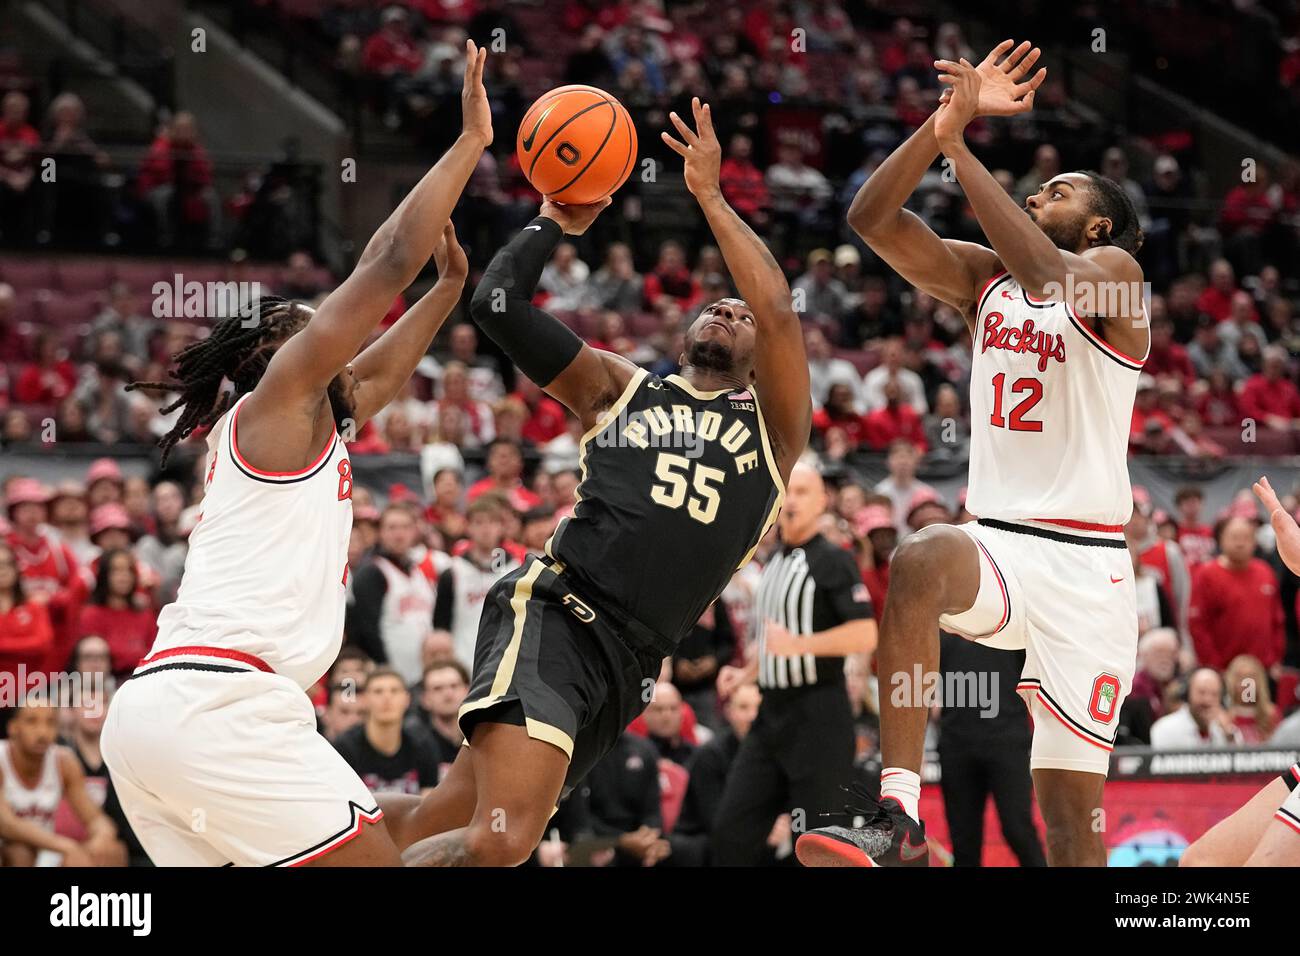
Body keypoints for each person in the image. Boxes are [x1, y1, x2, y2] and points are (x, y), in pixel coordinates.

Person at [386, 96, 810, 867]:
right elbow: (499, 303)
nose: (728, 309)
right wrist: (553, 218)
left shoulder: (776, 434)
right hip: (557, 612)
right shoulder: (620, 387)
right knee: (503, 842)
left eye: (740, 316)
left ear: (761, 358)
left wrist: (710, 195)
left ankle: (312, 832)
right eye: (715, 305)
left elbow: (778, 308)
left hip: (629, 667)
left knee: (439, 814)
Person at [97, 43, 492, 868]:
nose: (337, 343)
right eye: (312, 332)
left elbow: (377, 376)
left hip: (168, 716)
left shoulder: (307, 426)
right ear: (278, 358)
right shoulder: (275, 406)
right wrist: (467, 146)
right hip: (222, 707)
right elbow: (384, 261)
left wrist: (448, 293)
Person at [798, 40, 1149, 868]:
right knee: (920, 556)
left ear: (1097, 224)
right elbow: (870, 221)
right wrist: (939, 126)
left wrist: (964, 149)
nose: (1036, 193)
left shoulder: (1116, 279)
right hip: (998, 541)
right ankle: (897, 812)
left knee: (1067, 825)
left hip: (1088, 570)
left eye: (1055, 190)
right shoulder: (982, 281)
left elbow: (1046, 276)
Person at [711, 462, 876, 865]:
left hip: (819, 716)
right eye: (787, 492)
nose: (792, 501)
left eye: (803, 492)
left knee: (817, 845)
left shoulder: (833, 560)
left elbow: (865, 635)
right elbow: (773, 642)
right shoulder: (773, 562)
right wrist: (745, 673)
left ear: (822, 502)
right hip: (772, 716)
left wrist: (801, 644)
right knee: (731, 832)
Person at [1181, 476, 1300, 866]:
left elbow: (1278, 625)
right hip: (1224, 670)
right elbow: (1197, 626)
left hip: (1262, 670)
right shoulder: (1210, 574)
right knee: (1198, 863)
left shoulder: (1265, 575)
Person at [0, 694, 123, 866]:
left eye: (50, 722)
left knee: (113, 851)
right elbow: (6, 824)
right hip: (11, 850)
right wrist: (66, 846)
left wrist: (102, 836)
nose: (42, 732)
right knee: (20, 852)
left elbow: (95, 818)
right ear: (13, 727)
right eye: (31, 721)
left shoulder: (63, 761)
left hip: (48, 849)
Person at [333, 668, 442, 796]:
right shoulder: (344, 749)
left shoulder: (423, 745)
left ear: (407, 699)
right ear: (364, 700)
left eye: (394, 691)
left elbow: (429, 803)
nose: (387, 698)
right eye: (378, 691)